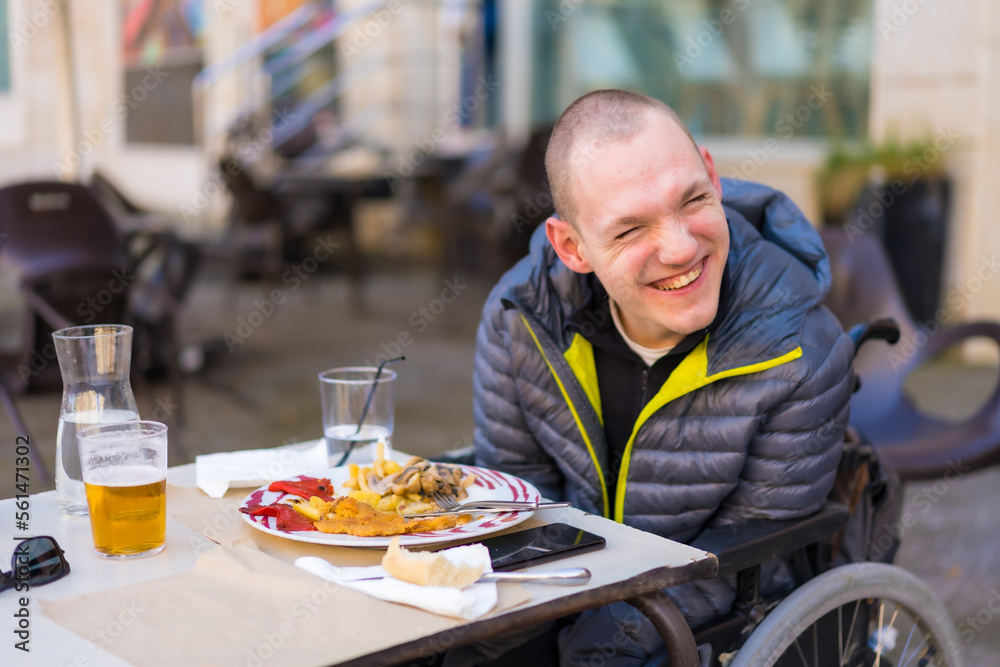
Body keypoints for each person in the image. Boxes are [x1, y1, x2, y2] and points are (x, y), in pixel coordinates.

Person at [471, 89, 855, 665]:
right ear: (571, 246)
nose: (679, 248)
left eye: (692, 200)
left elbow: (744, 554)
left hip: (708, 622)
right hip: (560, 597)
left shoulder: (802, 349)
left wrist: (597, 647)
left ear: (712, 175)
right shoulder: (517, 321)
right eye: (630, 230)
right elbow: (522, 499)